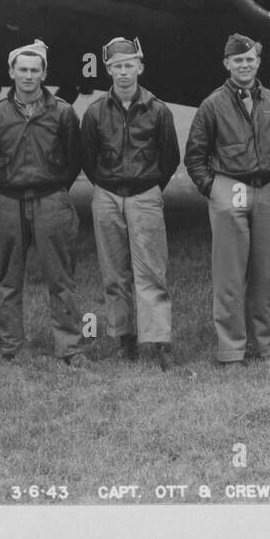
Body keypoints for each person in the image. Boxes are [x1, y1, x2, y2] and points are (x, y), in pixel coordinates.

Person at [184, 34, 270, 365]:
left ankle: (262, 346)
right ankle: (232, 348)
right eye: (238, 60)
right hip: (230, 186)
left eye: (249, 59)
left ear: (258, 62)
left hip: (269, 190)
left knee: (264, 274)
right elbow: (195, 157)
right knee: (230, 275)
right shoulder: (212, 104)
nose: (244, 65)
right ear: (227, 64)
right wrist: (213, 189)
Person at [0, 39, 87, 369]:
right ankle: (7, 344)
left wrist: (54, 189)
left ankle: (70, 346)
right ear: (11, 72)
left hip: (52, 200)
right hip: (10, 201)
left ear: (44, 73)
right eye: (22, 70)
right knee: (8, 278)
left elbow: (74, 159)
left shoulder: (63, 112)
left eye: (34, 70)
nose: (28, 76)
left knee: (61, 279)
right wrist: (10, 186)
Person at [80, 37, 182, 371]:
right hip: (106, 195)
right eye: (116, 67)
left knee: (151, 270)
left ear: (140, 66)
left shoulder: (158, 110)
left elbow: (170, 158)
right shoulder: (95, 112)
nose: (123, 73)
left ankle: (158, 341)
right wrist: (108, 186)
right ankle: (123, 337)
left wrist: (147, 187)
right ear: (108, 70)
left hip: (145, 194)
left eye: (129, 65)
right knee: (114, 272)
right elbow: (87, 157)